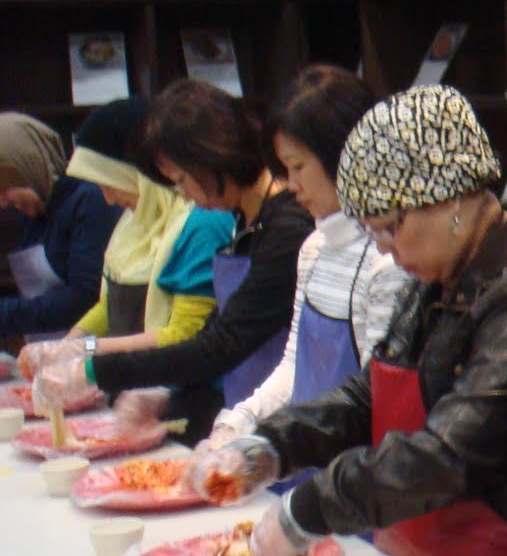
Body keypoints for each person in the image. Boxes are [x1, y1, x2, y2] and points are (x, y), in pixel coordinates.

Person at [187, 84, 507, 556]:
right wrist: (272, 445)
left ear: (451, 200)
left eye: (389, 226)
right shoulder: (441, 279)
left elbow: (446, 457)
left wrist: (309, 507)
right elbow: (368, 397)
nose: (383, 249)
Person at [29, 79, 313, 443]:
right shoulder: (245, 218)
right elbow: (215, 330)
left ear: (210, 156)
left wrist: (93, 368)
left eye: (182, 180)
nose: (186, 197)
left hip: (281, 421)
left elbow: (221, 344)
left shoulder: (286, 230)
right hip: (242, 407)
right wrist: (163, 390)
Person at [205, 66, 409, 448]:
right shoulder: (314, 247)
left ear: (345, 157)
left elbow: (372, 403)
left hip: (352, 474)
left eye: (298, 167)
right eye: (284, 168)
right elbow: (295, 367)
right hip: (303, 457)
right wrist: (239, 422)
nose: (291, 185)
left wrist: (274, 447)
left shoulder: (389, 263)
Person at [17, 98, 233, 373]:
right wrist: (69, 342)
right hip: (134, 379)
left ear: (137, 174)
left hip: (179, 385)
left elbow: (184, 335)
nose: (107, 199)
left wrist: (88, 349)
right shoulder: (134, 223)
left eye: (110, 184)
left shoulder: (202, 222)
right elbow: (113, 305)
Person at [0, 111, 120, 340]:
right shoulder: (31, 213)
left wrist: (5, 314)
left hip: (91, 349)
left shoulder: (90, 200)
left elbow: (85, 298)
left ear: (29, 167)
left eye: (5, 189)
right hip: (49, 351)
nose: (3, 202)